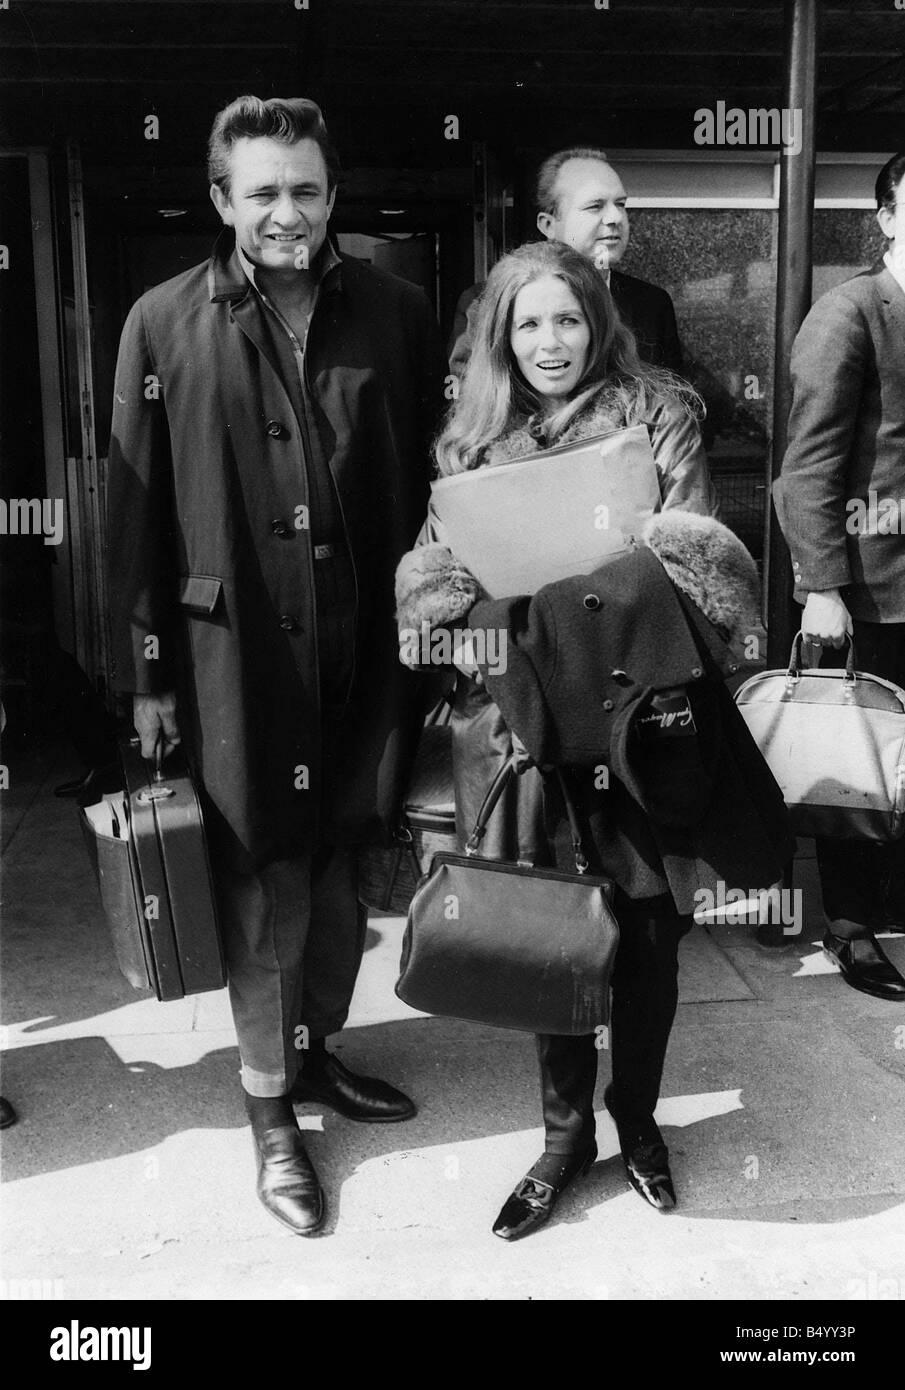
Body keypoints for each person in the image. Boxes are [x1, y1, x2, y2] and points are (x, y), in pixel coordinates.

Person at [396, 240, 791, 1239]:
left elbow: (700, 583)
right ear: (500, 334)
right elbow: (437, 606)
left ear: (596, 322)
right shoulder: (468, 442)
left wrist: (545, 609)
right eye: (526, 322)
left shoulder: (656, 416)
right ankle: (563, 1138)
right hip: (531, 737)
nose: (547, 340)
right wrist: (542, 621)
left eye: (565, 318)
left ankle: (636, 1118)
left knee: (650, 943)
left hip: (641, 728)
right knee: (550, 944)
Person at [105, 95, 446, 1235]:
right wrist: (147, 674)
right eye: (261, 193)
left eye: (304, 189)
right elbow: (135, 515)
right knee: (260, 880)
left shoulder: (397, 313)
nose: (285, 212)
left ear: (332, 195)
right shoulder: (160, 324)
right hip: (227, 656)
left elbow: (435, 482)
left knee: (348, 866)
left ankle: (316, 1055)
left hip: (367, 651)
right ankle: (268, 1112)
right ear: (220, 201)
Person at [774, 151, 905, 1002]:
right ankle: (852, 927)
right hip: (873, 585)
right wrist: (820, 585)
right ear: (887, 217)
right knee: (860, 761)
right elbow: (806, 466)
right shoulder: (852, 311)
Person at [448, 147, 683, 378]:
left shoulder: (652, 304)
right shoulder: (485, 303)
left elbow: (672, 399)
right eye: (595, 206)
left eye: (620, 204)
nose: (615, 218)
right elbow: (476, 405)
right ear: (548, 225)